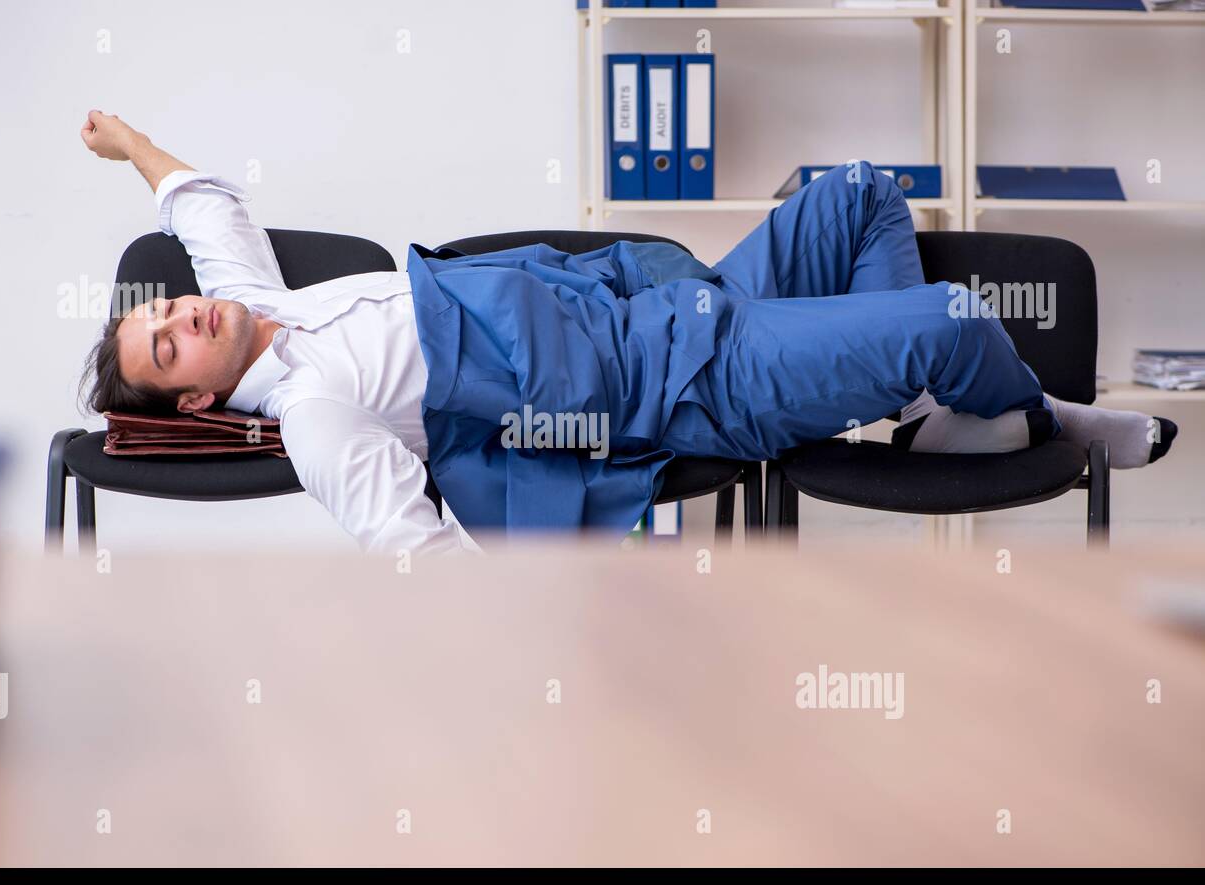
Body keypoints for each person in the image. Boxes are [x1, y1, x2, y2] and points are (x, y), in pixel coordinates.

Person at [78, 111, 1177, 556]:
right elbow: (417, 559)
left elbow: (205, 213)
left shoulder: (264, 307)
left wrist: (126, 140)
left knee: (861, 192)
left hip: (681, 302)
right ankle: (1025, 410)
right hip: (689, 383)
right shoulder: (317, 414)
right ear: (197, 402)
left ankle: (938, 409)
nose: (182, 313)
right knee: (948, 315)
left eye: (168, 307)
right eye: (168, 344)